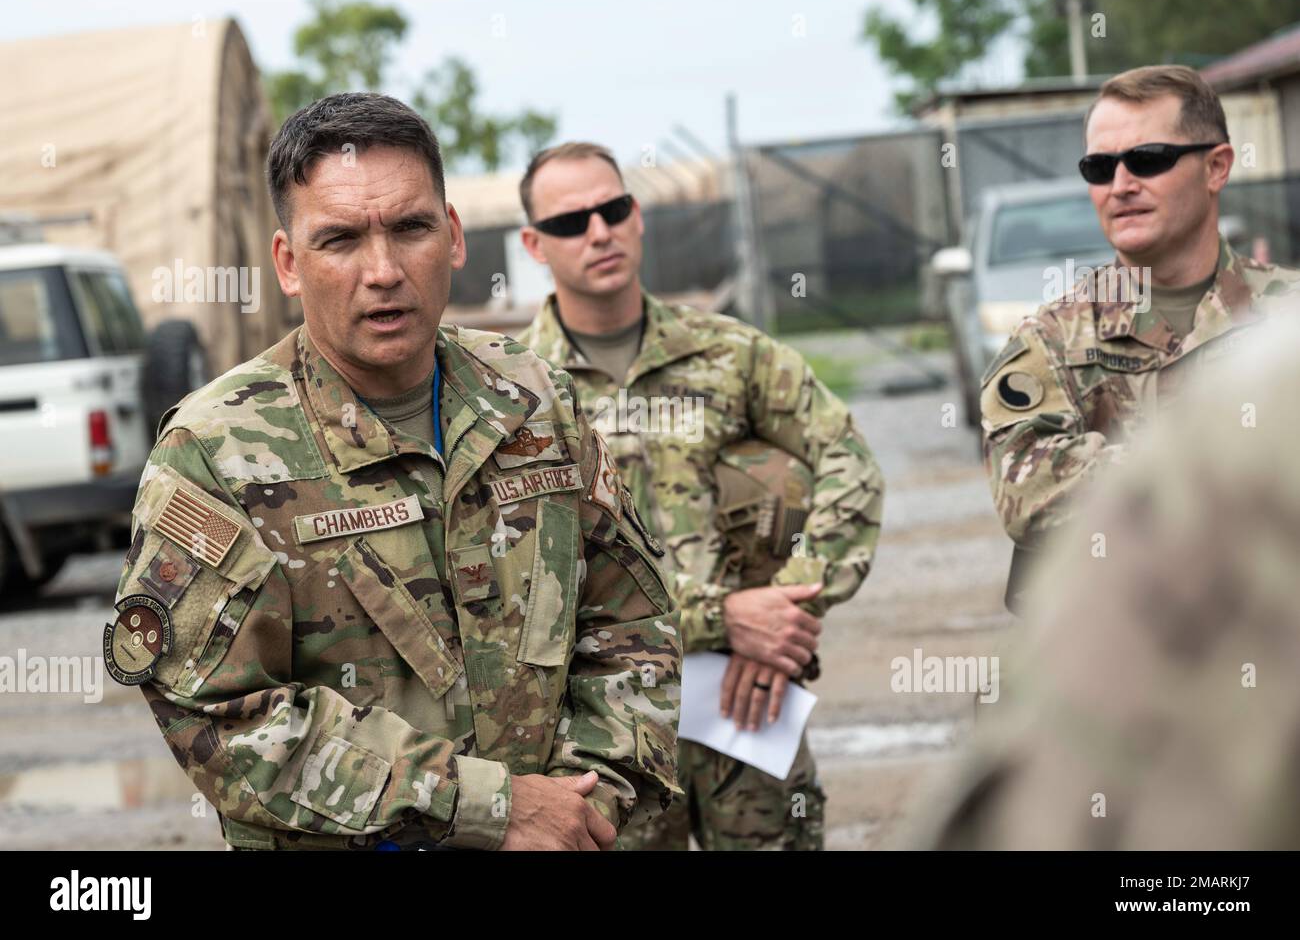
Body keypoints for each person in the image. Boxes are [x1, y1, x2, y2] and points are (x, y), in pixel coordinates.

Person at [106, 94, 681, 851]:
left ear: (452, 236)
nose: (382, 272)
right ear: (287, 263)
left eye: (409, 228)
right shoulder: (218, 450)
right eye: (339, 240)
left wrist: (588, 806)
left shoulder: (535, 399)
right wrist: (489, 807)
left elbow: (631, 619)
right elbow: (218, 714)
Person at [514, 142, 884, 850]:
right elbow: (531, 567)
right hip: (602, 728)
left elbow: (850, 460)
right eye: (570, 222)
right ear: (533, 243)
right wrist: (726, 617)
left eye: (613, 208)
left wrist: (786, 614)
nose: (599, 232)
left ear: (637, 216)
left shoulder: (729, 353)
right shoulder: (516, 391)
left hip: (745, 704)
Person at [931, 313, 1300, 849]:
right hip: (1124, 685)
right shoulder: (1051, 338)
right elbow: (1030, 487)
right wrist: (1207, 465)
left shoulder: (1277, 313)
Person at [980, 65, 1300, 611]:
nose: (1122, 185)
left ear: (1216, 168)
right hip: (1126, 664)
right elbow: (1030, 494)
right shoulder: (1053, 341)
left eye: (1148, 160)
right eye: (1100, 168)